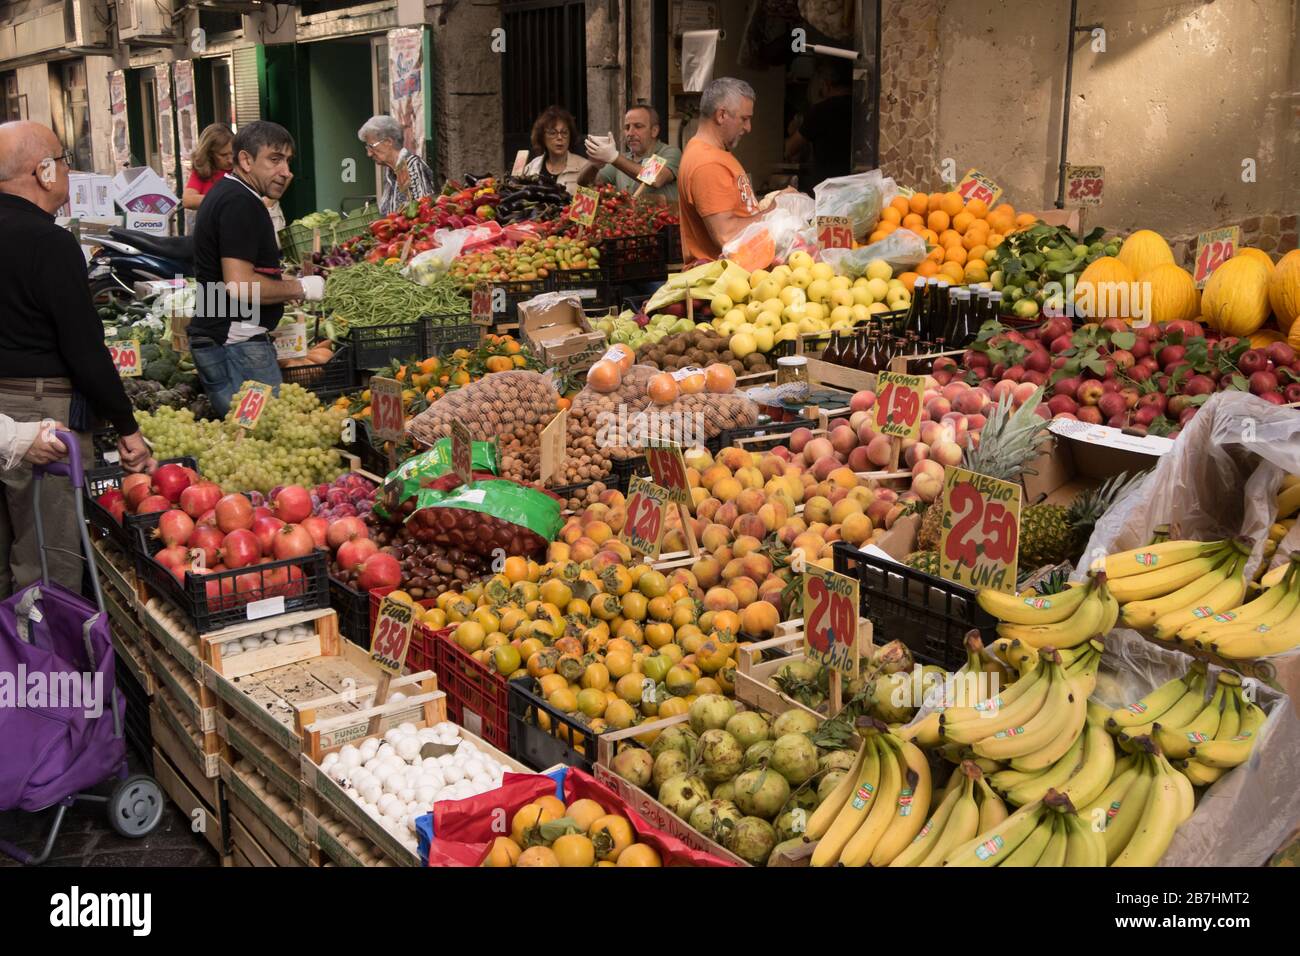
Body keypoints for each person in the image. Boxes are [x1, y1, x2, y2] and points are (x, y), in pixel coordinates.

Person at [0, 120, 155, 598]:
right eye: (64, 161)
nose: (68, 171)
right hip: (43, 414)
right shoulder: (49, 242)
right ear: (43, 171)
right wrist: (127, 427)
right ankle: (46, 668)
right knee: (49, 559)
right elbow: (83, 347)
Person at [189, 120, 323, 418]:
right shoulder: (240, 203)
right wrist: (302, 288)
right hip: (237, 342)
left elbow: (235, 271)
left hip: (218, 332)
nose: (285, 171)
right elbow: (239, 285)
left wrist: (283, 280)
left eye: (287, 161)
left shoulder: (227, 194)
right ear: (246, 160)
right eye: (274, 159)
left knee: (244, 437)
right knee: (265, 434)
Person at [677, 77, 785, 262]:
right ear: (721, 115)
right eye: (744, 119)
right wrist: (774, 210)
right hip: (723, 280)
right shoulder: (708, 164)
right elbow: (726, 235)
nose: (748, 128)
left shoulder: (712, 154)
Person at [578, 104, 681, 205]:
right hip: (629, 221)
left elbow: (655, 179)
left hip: (664, 221)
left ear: (654, 131)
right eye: (627, 127)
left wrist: (614, 157)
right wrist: (594, 165)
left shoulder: (667, 152)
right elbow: (586, 185)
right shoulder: (622, 159)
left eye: (638, 126)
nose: (630, 133)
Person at [784, 60, 854, 191]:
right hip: (857, 185)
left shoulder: (820, 111)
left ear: (827, 84)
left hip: (827, 187)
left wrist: (793, 130)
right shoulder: (862, 109)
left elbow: (790, 148)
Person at [358, 115, 436, 216]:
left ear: (388, 142)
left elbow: (424, 211)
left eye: (371, 146)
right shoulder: (390, 171)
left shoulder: (412, 166)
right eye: (367, 148)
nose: (369, 153)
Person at [523, 106, 587, 196]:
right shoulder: (531, 168)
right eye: (553, 133)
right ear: (542, 137)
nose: (560, 138)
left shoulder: (584, 167)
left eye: (564, 132)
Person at [181, 123, 234, 211]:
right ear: (209, 154)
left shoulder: (242, 167)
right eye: (223, 155)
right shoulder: (203, 171)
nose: (230, 160)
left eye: (232, 153)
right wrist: (224, 199)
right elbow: (187, 200)